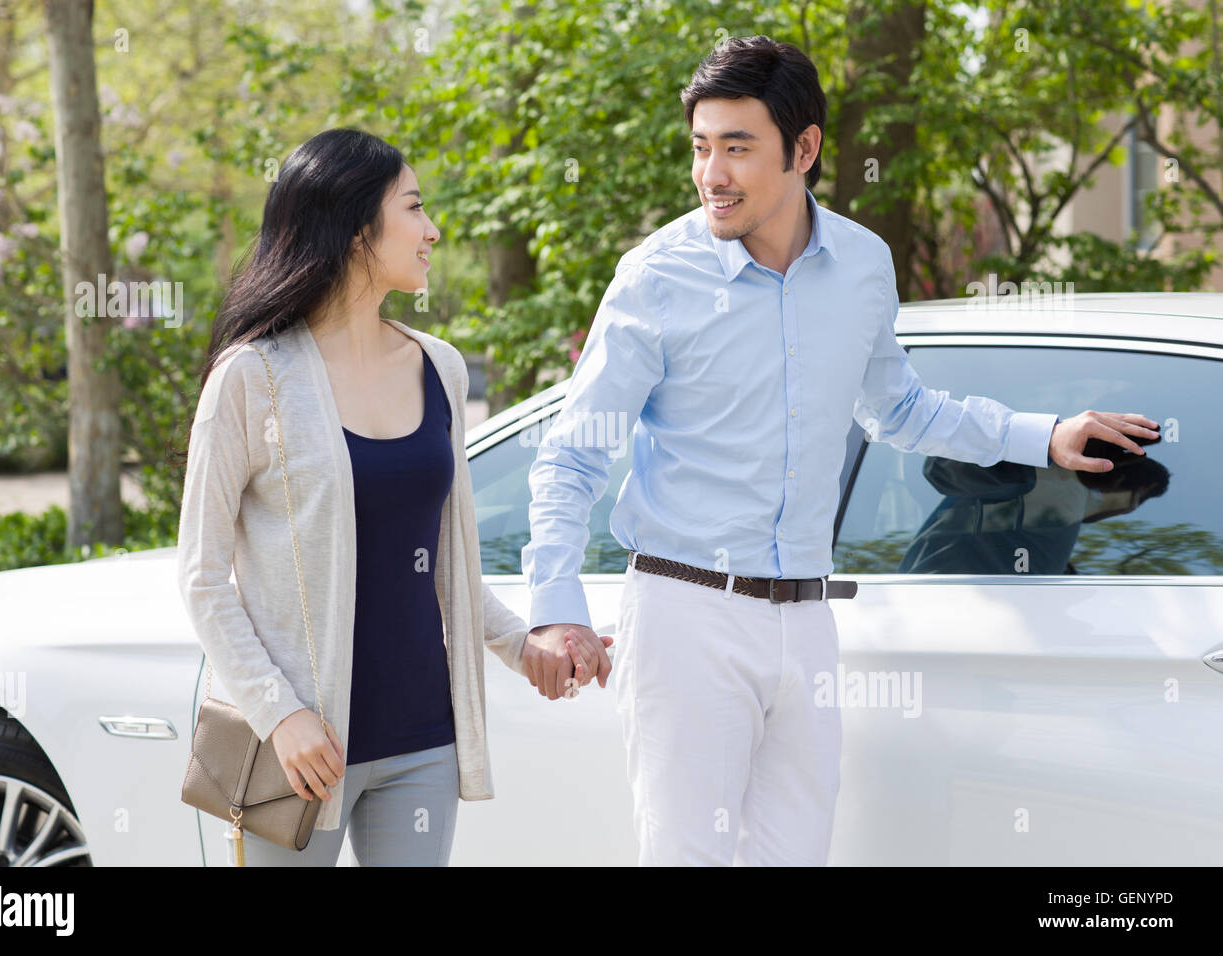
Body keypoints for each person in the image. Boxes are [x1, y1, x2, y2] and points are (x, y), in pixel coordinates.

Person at [524, 35, 1160, 866]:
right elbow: (574, 453)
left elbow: (898, 408)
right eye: (701, 147)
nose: (712, 173)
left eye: (737, 148)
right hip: (686, 615)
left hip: (809, 619)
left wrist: (1041, 435)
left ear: (806, 148)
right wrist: (556, 603)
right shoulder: (656, 276)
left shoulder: (863, 263)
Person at [173, 128, 607, 866]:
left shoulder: (439, 368)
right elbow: (203, 579)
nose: (432, 229)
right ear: (353, 230)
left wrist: (524, 641)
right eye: (414, 207)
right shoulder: (252, 379)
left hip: (421, 743)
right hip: (303, 752)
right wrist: (280, 716)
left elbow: (447, 565)